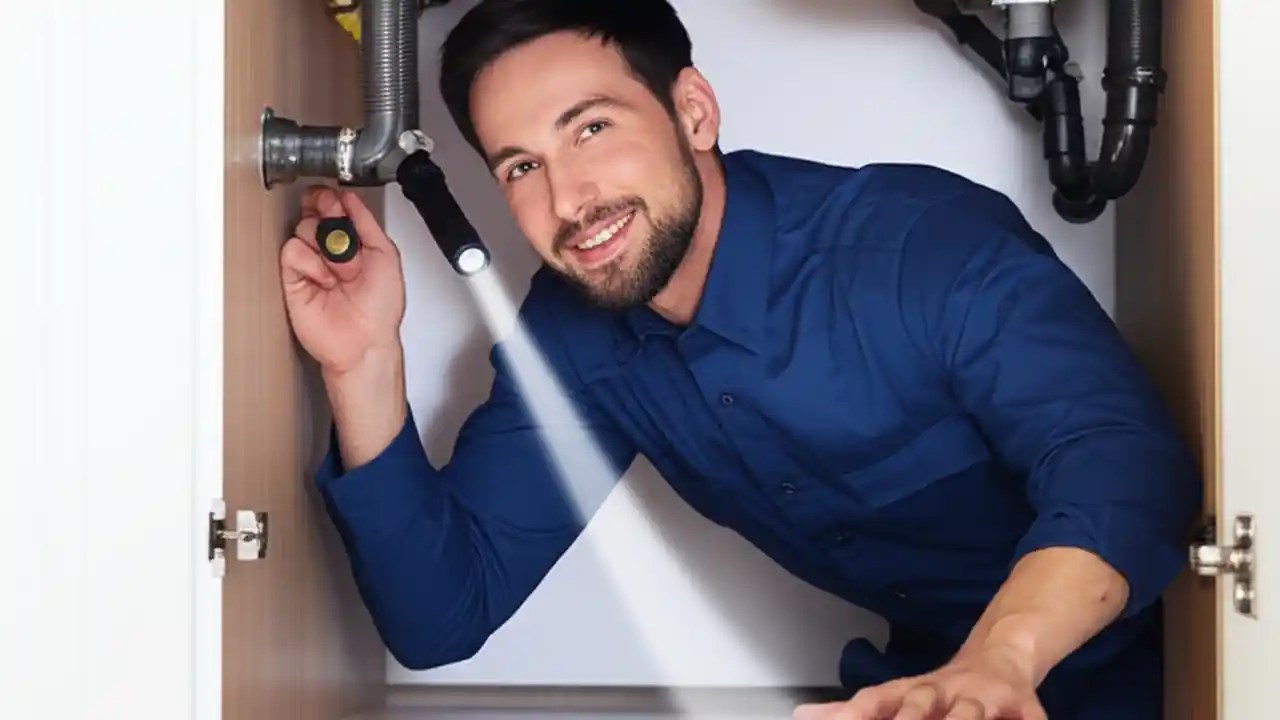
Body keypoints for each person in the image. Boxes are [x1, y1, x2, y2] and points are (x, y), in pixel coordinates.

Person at [279, 1, 1200, 717]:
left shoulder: (918, 247)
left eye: (591, 129)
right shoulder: (575, 331)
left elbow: (1123, 465)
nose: (568, 199)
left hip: (1160, 678)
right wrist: (364, 369)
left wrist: (1000, 662)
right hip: (903, 694)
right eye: (520, 167)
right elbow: (443, 616)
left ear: (692, 110)